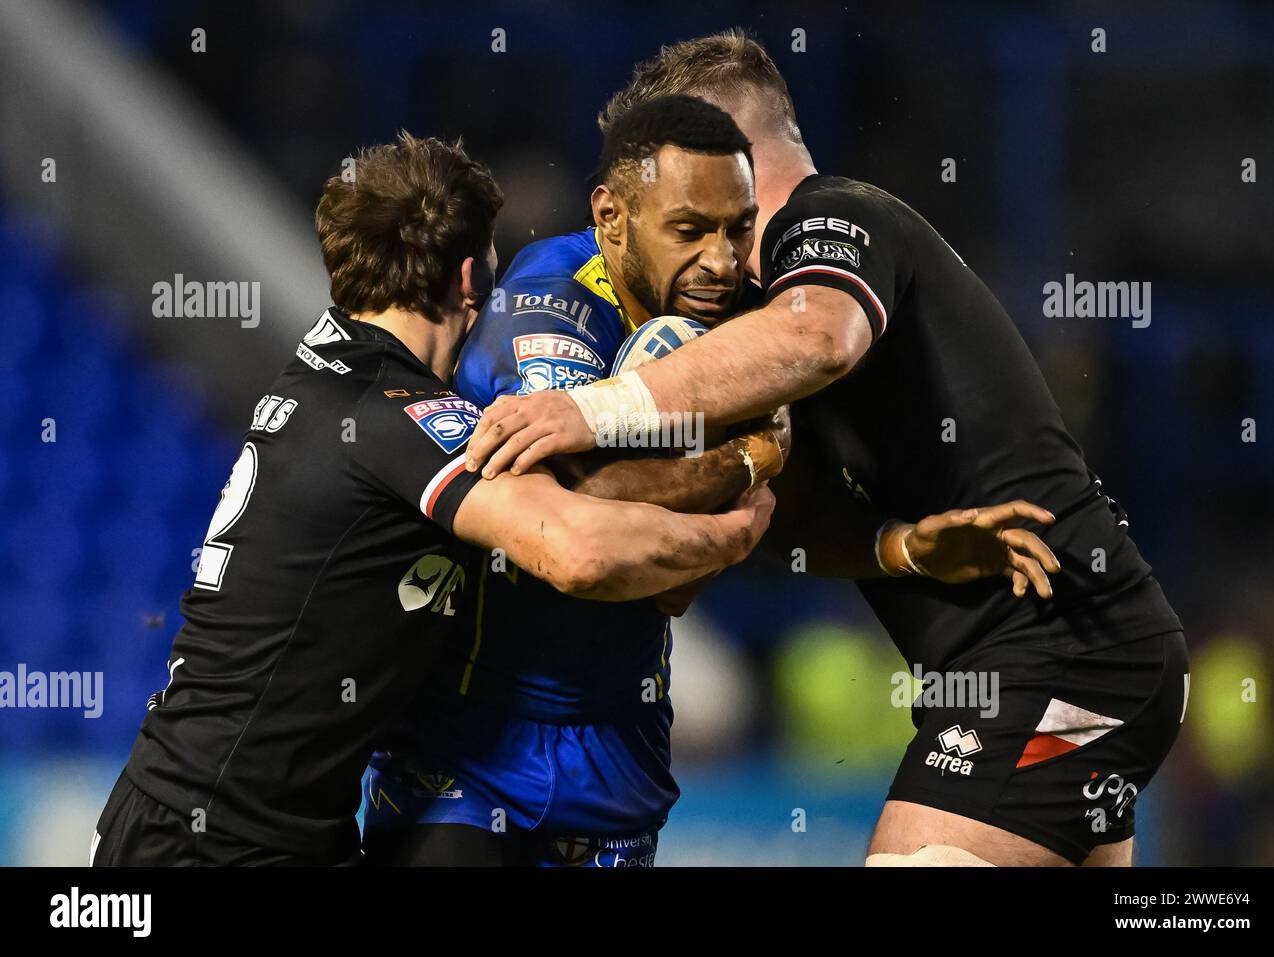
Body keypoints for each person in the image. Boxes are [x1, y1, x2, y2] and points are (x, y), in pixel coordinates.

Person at [464, 34, 1189, 867]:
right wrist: (904, 546)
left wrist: (596, 407)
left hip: (1063, 654)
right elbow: (797, 514)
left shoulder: (834, 216)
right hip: (1048, 660)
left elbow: (821, 338)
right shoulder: (750, 316)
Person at [363, 101, 1063, 867]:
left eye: (737, 227)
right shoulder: (552, 302)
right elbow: (586, 510)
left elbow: (780, 521)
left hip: (619, 767)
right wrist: (747, 462)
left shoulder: (734, 323)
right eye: (690, 230)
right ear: (613, 217)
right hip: (473, 760)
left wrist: (900, 548)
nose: (724, 261)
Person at [90, 132, 772, 867]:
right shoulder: (400, 417)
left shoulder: (321, 378)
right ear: (472, 277)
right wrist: (733, 524)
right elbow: (578, 552)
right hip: (216, 840)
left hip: (216, 817)